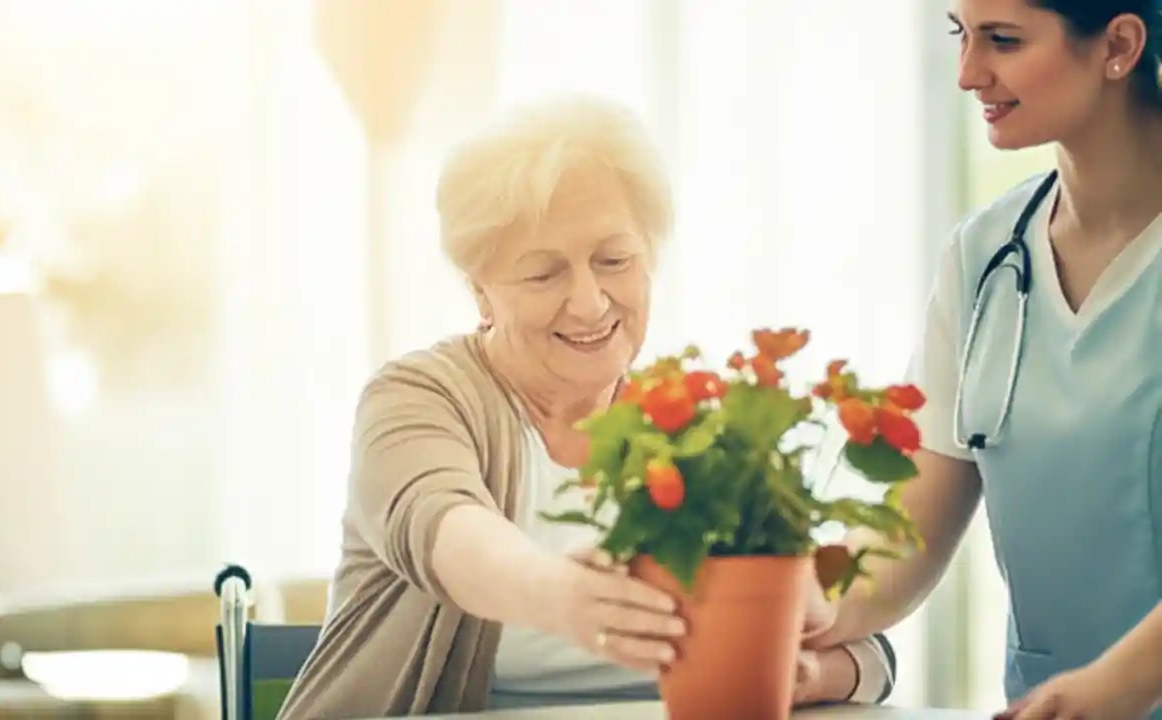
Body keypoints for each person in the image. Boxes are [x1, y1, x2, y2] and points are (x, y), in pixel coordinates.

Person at [276, 95, 895, 718]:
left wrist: (812, 672)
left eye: (614, 261)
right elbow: (441, 527)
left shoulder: (690, 426)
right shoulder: (419, 396)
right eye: (544, 274)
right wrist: (562, 595)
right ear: (480, 292)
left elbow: (853, 639)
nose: (590, 303)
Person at [810, 1, 1162, 718]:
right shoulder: (984, 256)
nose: (969, 74)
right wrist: (790, 609)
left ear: (1119, 46)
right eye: (959, 36)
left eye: (1002, 40)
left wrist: (1116, 685)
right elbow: (909, 527)